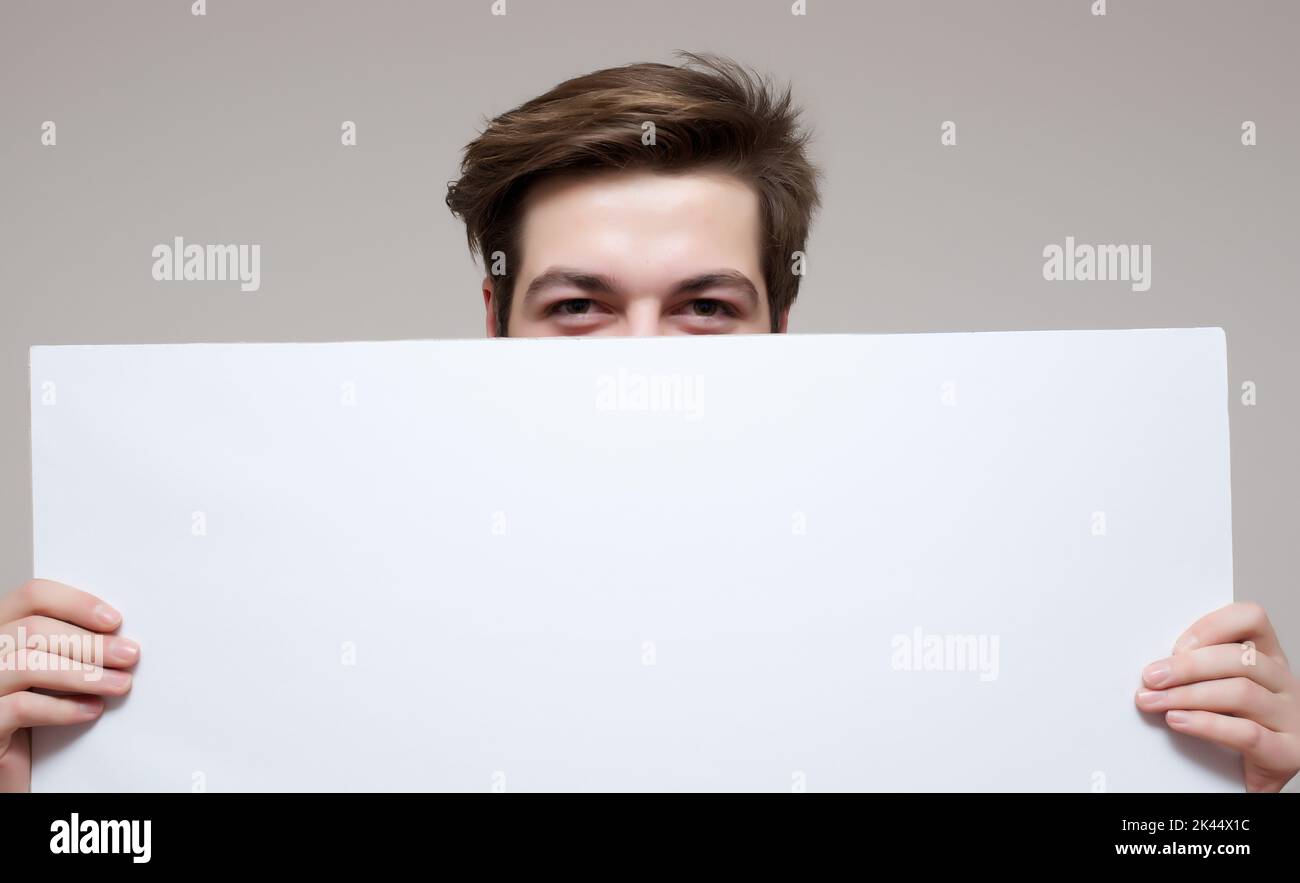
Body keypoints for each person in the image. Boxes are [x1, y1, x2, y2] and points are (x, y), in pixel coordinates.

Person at [3, 54, 1295, 793]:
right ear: (495, 318)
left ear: (780, 322)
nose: (638, 356)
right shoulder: (287, 604)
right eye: (578, 305)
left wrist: (1223, 811)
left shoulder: (983, 607)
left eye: (703, 306)